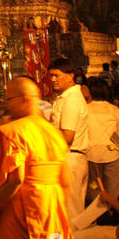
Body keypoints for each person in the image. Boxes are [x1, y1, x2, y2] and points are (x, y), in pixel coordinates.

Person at [0, 76, 95, 239]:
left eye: (8, 98)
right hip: (53, 213)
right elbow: (65, 181)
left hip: (21, 210)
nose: (5, 102)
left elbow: (16, 179)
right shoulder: (53, 133)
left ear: (23, 99)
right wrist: (60, 212)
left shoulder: (14, 132)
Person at [48, 57, 90, 222]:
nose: (53, 80)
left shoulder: (71, 99)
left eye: (57, 75)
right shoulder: (65, 97)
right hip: (69, 158)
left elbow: (67, 136)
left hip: (70, 157)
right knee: (66, 211)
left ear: (70, 76)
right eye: (51, 76)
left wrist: (45, 132)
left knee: (70, 214)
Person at [84, 79, 119, 201]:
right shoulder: (113, 109)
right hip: (112, 153)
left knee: (95, 187)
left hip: (91, 153)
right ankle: (114, 211)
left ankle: (98, 214)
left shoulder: (85, 110)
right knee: (114, 186)